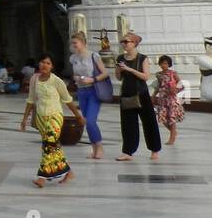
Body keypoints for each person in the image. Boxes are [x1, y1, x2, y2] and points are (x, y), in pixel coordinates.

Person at [19, 54, 82, 187]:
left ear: (52, 66)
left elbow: (68, 100)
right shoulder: (34, 79)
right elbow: (30, 100)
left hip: (55, 116)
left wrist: (78, 116)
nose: (44, 65)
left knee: (48, 146)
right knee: (52, 146)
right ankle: (68, 172)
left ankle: (41, 177)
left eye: (48, 63)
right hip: (41, 117)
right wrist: (24, 118)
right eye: (42, 62)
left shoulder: (57, 81)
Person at [116, 33, 162, 161]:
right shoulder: (120, 58)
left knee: (149, 122)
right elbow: (119, 78)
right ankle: (128, 151)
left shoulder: (142, 58)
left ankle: (154, 149)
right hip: (126, 93)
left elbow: (146, 76)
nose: (124, 44)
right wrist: (119, 70)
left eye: (127, 41)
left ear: (134, 43)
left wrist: (129, 69)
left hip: (141, 93)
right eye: (123, 42)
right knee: (128, 124)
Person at [69, 31, 110, 159]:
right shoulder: (73, 58)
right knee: (86, 121)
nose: (73, 45)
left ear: (83, 43)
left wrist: (92, 79)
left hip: (93, 90)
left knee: (91, 120)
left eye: (75, 42)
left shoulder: (94, 56)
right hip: (81, 91)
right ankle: (94, 149)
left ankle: (100, 146)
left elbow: (105, 73)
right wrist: (77, 78)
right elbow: (74, 74)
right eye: (72, 43)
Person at [153, 55, 185, 147]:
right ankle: (173, 132)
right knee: (163, 118)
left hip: (171, 99)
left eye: (166, 63)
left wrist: (175, 90)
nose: (164, 65)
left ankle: (172, 138)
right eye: (162, 63)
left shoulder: (173, 73)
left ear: (169, 64)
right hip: (162, 99)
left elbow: (181, 85)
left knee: (171, 119)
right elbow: (158, 86)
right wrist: (154, 95)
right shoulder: (158, 74)